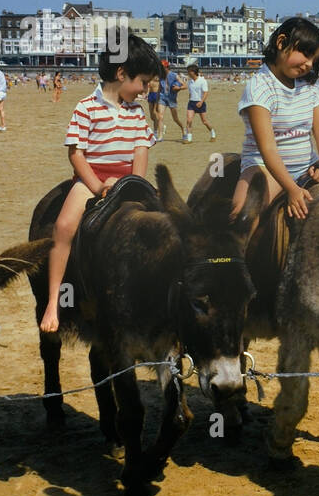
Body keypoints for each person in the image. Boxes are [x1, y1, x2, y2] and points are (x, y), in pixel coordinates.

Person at [39, 35, 161, 333]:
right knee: (64, 227)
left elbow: (140, 152)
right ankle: (54, 300)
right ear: (122, 74)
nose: (145, 91)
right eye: (142, 83)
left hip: (128, 180)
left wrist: (136, 185)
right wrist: (97, 187)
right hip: (90, 179)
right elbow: (76, 154)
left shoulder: (137, 113)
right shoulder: (86, 108)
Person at [231, 18, 319, 219]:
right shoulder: (260, 88)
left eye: (314, 61)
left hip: (307, 165)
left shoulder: (309, 86)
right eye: (306, 54)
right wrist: (292, 189)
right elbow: (268, 149)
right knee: (242, 217)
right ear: (281, 42)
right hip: (265, 168)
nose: (309, 65)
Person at [182, 64, 216, 144]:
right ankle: (189, 138)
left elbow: (206, 92)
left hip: (200, 102)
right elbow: (190, 92)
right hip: (191, 103)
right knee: (189, 120)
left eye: (189, 72)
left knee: (204, 121)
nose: (188, 73)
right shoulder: (190, 82)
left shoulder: (202, 81)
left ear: (193, 72)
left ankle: (213, 133)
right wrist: (190, 99)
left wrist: (201, 102)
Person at [159, 63, 186, 141]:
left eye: (162, 67)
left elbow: (185, 85)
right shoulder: (161, 76)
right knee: (160, 117)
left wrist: (179, 88)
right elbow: (160, 88)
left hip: (172, 98)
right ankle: (160, 136)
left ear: (167, 67)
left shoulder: (174, 75)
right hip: (162, 97)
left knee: (175, 119)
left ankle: (183, 129)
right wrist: (157, 97)